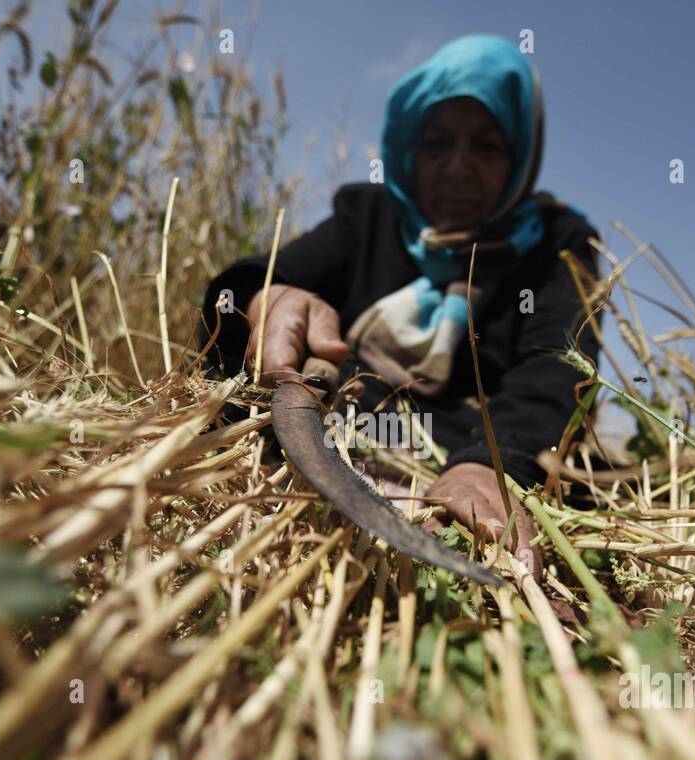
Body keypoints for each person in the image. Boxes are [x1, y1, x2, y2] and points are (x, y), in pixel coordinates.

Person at [202, 34, 601, 575]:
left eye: (487, 146)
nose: (459, 167)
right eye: (436, 143)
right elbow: (252, 284)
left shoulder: (556, 245)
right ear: (409, 148)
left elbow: (557, 367)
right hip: (345, 417)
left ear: (520, 159)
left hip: (463, 444)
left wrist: (489, 466)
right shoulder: (366, 217)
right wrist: (267, 298)